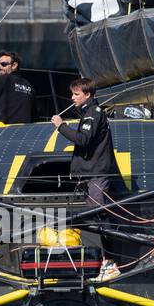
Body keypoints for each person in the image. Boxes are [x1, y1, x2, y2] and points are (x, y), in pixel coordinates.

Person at [51, 78, 117, 209]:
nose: (72, 98)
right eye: (72, 94)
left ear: (87, 95)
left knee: (96, 212)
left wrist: (61, 126)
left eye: (76, 94)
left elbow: (83, 139)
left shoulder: (93, 113)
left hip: (96, 173)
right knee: (94, 211)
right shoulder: (89, 112)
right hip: (91, 172)